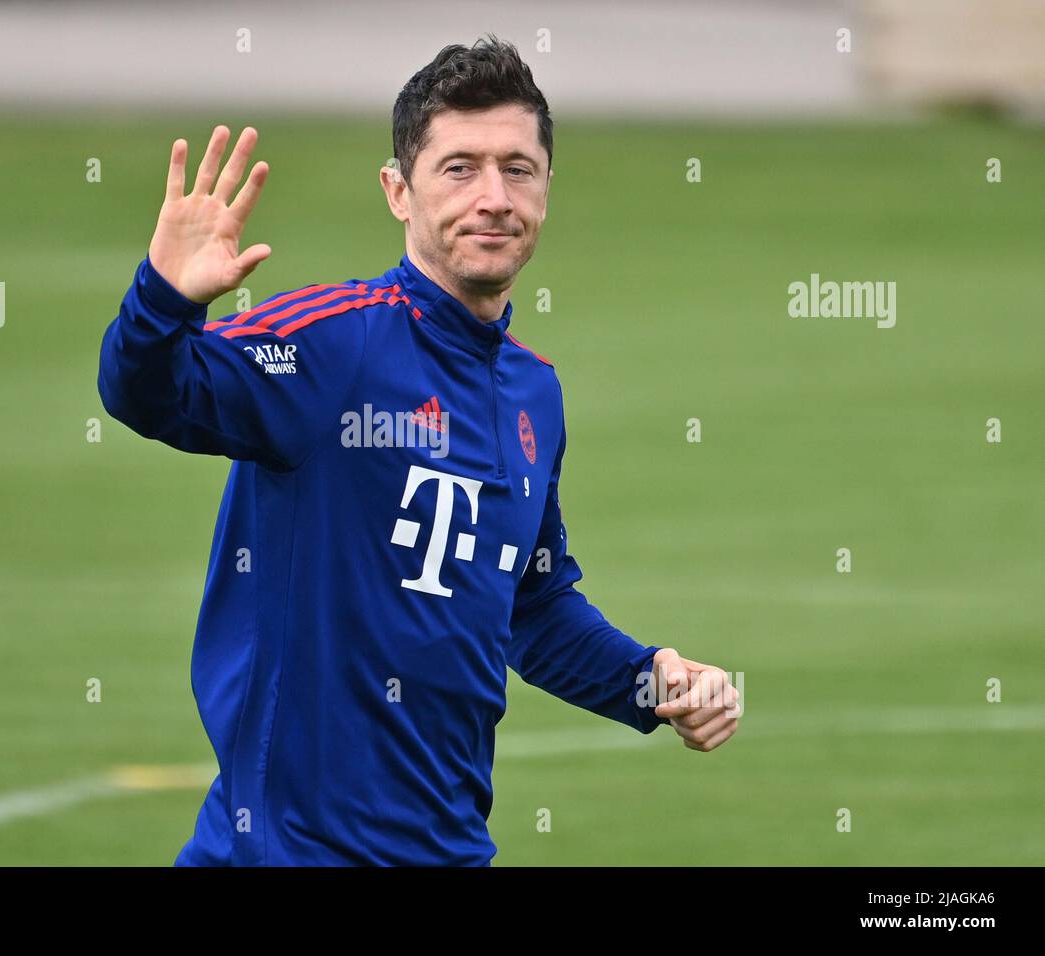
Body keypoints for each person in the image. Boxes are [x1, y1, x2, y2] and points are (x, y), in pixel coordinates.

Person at [97, 35, 739, 866]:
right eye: (458, 168)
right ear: (398, 192)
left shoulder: (533, 394)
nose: (493, 196)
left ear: (548, 188)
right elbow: (147, 393)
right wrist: (162, 300)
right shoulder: (333, 348)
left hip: (448, 849)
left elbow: (530, 609)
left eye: (518, 168)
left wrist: (652, 681)